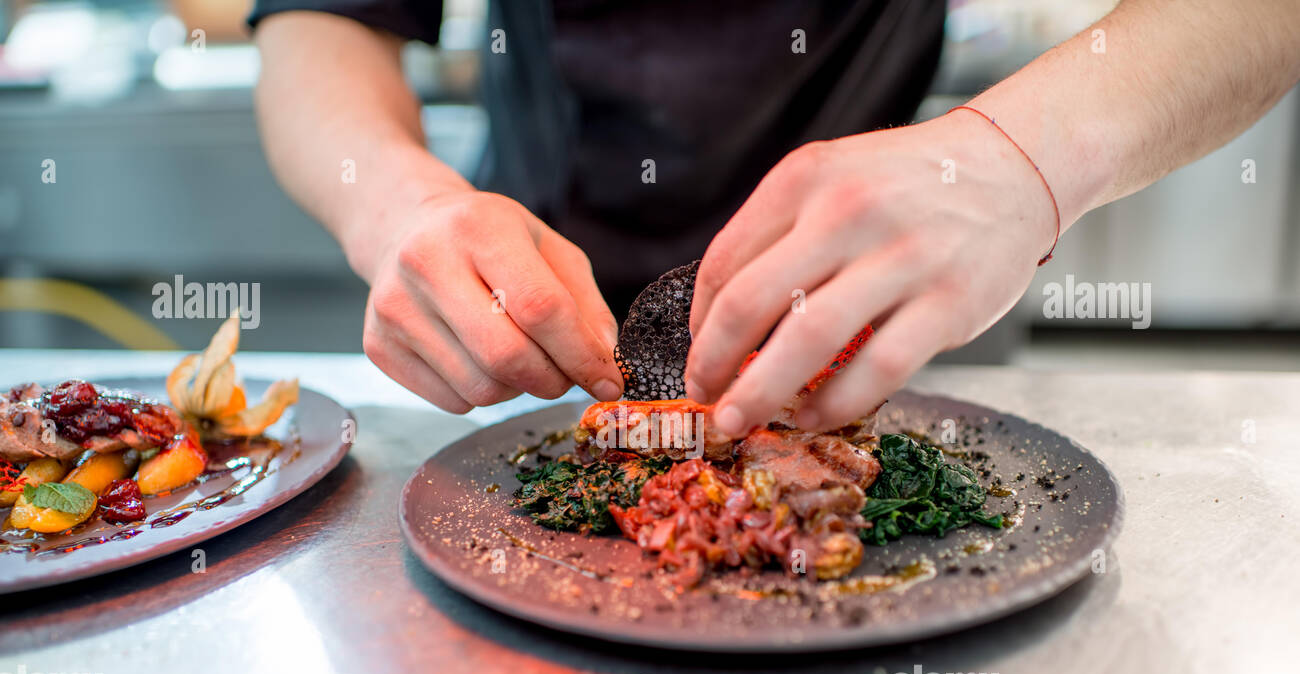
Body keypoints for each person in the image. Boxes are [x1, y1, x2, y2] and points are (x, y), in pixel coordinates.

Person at [251, 0, 1300, 438]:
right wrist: (401, 206)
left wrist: (1017, 160)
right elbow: (323, 28)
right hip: (524, 327)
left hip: (893, 300)